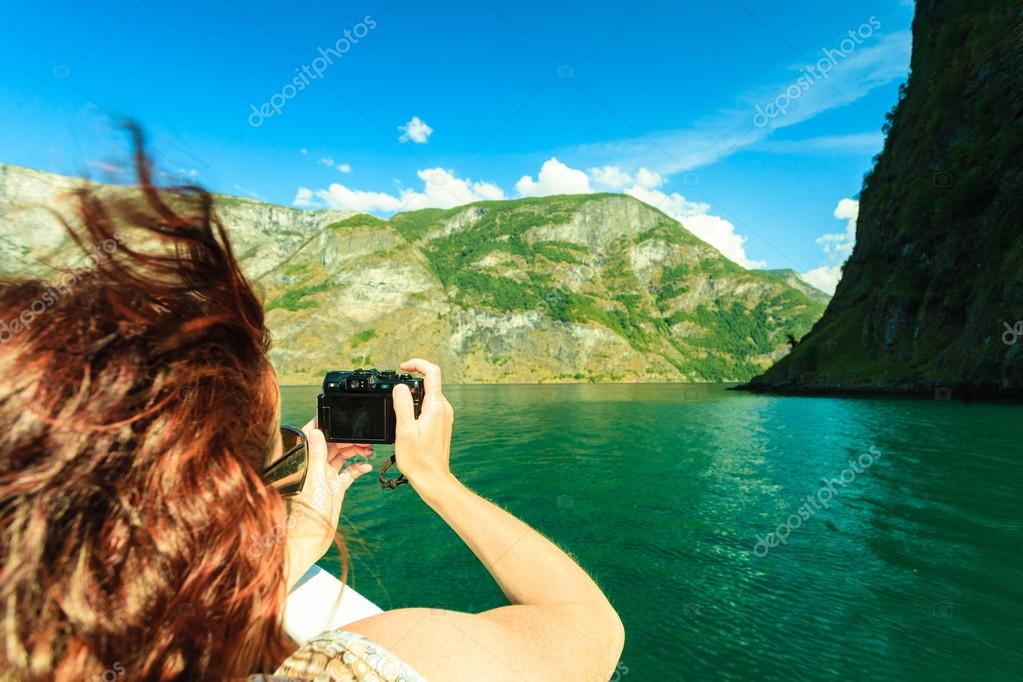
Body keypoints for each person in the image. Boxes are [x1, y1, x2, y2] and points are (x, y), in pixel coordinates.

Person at [0, 132, 625, 681]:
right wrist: (435, 478)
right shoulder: (349, 667)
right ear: (213, 507)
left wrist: (300, 534)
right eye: (283, 452)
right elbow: (588, 627)